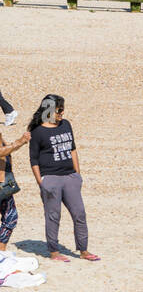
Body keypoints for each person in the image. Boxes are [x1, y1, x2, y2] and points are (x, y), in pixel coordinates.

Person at [28, 94, 98, 262]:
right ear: (49, 110)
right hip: (50, 178)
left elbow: (73, 149)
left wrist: (77, 174)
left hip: (70, 177)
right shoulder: (38, 131)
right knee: (53, 216)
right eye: (59, 110)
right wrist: (41, 182)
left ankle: (84, 250)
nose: (62, 113)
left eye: (63, 109)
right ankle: (54, 252)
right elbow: (34, 159)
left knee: (79, 213)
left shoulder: (66, 125)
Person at [0, 127, 31, 252]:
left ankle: (1, 251)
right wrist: (20, 141)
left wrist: (20, 141)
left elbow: (5, 150)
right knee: (10, 217)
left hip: (3, 185)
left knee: (10, 218)